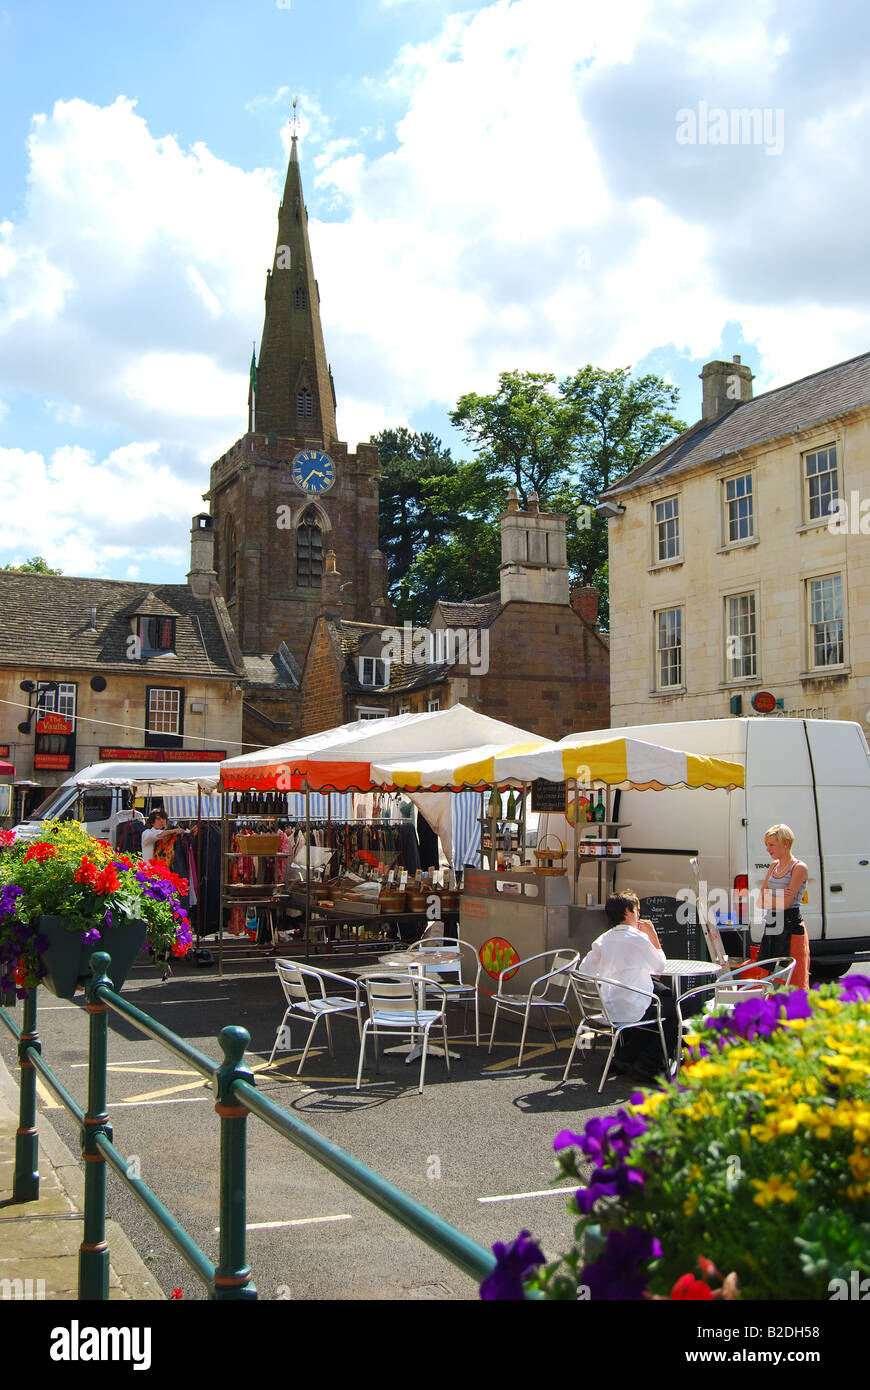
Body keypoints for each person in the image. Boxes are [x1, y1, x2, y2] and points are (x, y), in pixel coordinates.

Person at [578, 890, 677, 1082]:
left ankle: (625, 1057)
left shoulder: (603, 939)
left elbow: (584, 970)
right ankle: (646, 1064)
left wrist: (606, 978)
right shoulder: (639, 938)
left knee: (663, 999)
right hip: (631, 1007)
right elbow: (659, 966)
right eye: (637, 910)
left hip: (606, 1008)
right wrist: (653, 934)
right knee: (675, 1011)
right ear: (628, 912)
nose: (639, 914)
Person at [755, 823, 810, 989]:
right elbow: (759, 901)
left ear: (785, 843)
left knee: (794, 979)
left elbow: (786, 904)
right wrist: (778, 897)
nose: (767, 849)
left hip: (791, 927)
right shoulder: (773, 866)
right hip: (772, 925)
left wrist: (770, 898)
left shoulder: (799, 867)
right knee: (768, 975)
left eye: (771, 844)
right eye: (766, 845)